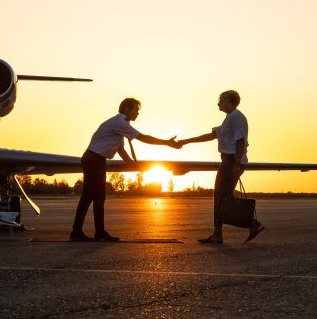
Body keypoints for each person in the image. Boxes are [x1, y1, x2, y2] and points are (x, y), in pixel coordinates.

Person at [72, 98, 180, 242]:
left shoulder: (119, 125)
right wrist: (166, 143)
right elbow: (143, 138)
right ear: (126, 109)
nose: (137, 113)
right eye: (136, 110)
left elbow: (120, 149)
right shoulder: (120, 123)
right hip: (93, 159)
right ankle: (79, 232)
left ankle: (97, 232)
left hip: (96, 159)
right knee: (90, 197)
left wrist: (132, 165)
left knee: (98, 197)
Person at [177, 90, 264, 244]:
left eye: (220, 100)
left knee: (221, 196)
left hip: (232, 160)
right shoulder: (229, 119)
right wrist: (186, 141)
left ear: (228, 100)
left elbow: (240, 140)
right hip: (229, 160)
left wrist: (236, 163)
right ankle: (241, 227)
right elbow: (211, 135)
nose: (218, 103)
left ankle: (245, 226)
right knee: (224, 197)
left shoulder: (236, 117)